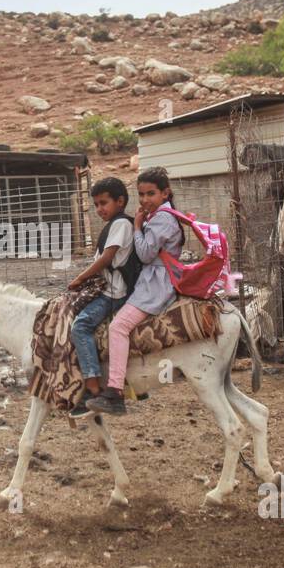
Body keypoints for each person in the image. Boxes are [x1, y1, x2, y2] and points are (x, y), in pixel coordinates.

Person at [85, 167, 182, 416]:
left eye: (151, 194)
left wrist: (137, 226)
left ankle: (115, 392)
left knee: (118, 326)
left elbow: (147, 253)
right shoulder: (161, 215)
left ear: (165, 193)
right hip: (152, 280)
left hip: (156, 284)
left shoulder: (162, 218)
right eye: (141, 195)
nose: (145, 200)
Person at [67, 178, 137, 419]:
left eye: (103, 203)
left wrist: (80, 278)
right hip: (108, 288)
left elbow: (106, 258)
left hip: (113, 293)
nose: (99, 209)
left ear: (120, 201)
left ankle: (93, 389)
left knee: (81, 326)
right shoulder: (114, 225)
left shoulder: (121, 225)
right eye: (95, 204)